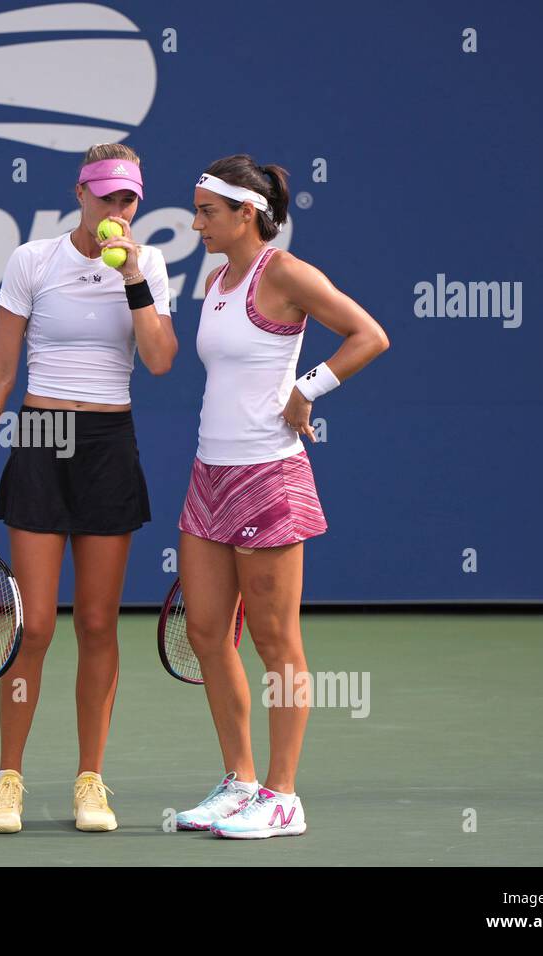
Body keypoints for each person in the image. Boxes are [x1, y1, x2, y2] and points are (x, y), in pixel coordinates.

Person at [0, 143, 177, 833]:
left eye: (128, 200)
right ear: (79, 193)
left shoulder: (152, 263)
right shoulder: (32, 260)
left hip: (110, 443)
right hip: (45, 439)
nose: (116, 210)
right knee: (38, 625)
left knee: (101, 624)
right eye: (105, 196)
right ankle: (8, 781)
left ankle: (90, 782)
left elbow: (161, 361)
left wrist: (133, 276)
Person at [172, 155, 389, 839]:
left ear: (246, 213)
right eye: (197, 209)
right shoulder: (214, 280)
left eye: (208, 210)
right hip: (209, 476)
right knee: (208, 633)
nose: (196, 220)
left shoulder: (286, 273)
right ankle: (239, 783)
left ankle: (284, 794)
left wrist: (307, 390)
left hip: (270, 476)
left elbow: (369, 334)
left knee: (275, 640)